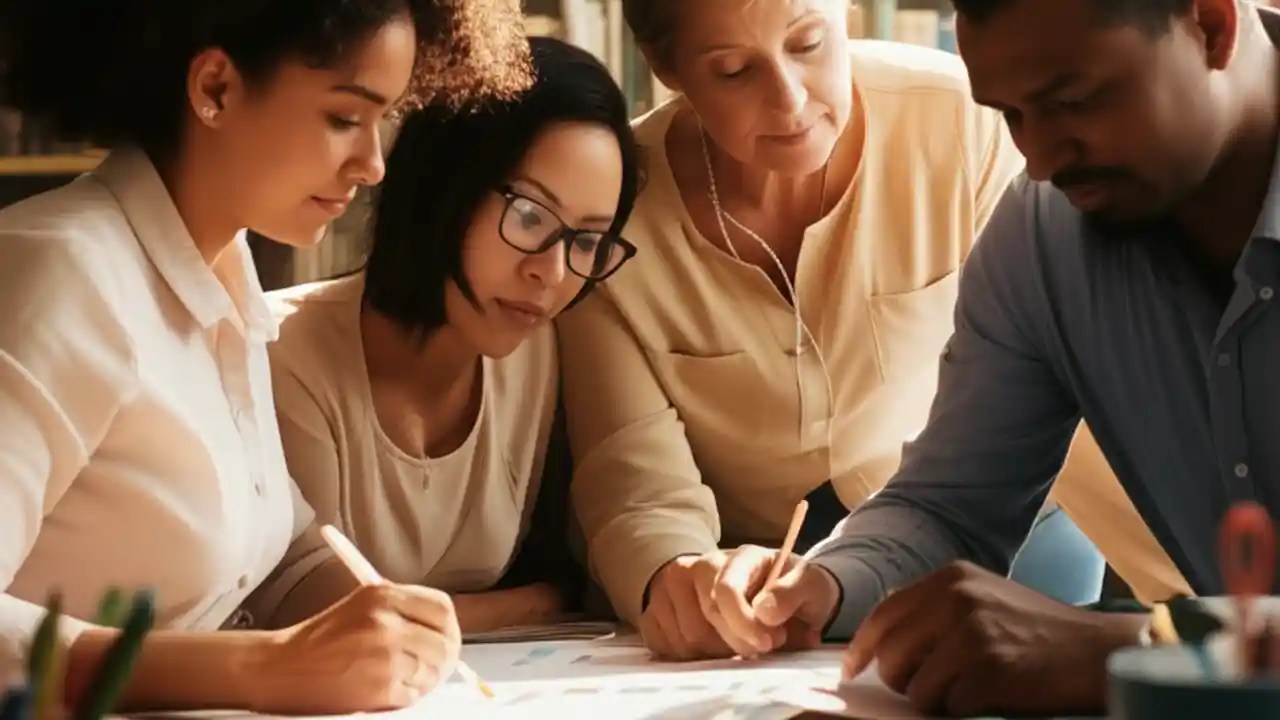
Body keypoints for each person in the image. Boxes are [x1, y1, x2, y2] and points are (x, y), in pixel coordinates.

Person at [555, 0, 1186, 662]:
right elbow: (631, 478)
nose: (790, 100)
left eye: (808, 44)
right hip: (776, 590)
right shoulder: (614, 204)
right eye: (736, 71)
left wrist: (1201, 610)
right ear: (666, 67)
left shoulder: (964, 120)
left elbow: (1050, 386)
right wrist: (676, 575)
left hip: (1007, 534)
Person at [700, 0, 1280, 715]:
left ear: (1212, 25)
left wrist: (1128, 650)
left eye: (1071, 101)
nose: (1038, 160)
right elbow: (950, 509)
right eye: (1010, 116)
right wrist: (823, 586)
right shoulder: (1045, 235)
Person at [0, 0, 531, 714]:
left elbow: (271, 550)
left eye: (385, 121)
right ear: (214, 88)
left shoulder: (224, 272)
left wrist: (381, 619)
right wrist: (261, 667)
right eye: (346, 118)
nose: (373, 165)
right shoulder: (62, 274)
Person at [265, 36, 639, 634]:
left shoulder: (543, 349)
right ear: (446, 187)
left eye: (588, 240)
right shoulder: (279, 353)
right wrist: (528, 605)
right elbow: (318, 613)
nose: (553, 271)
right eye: (529, 216)